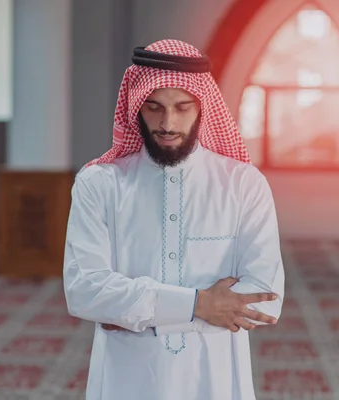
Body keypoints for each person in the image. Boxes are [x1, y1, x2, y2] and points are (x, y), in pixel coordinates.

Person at [63, 39, 285, 400]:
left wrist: (132, 313)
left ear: (203, 108)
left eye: (183, 108)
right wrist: (201, 305)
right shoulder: (99, 184)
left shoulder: (244, 184)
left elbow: (264, 301)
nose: (168, 123)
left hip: (214, 379)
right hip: (127, 380)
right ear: (136, 108)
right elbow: (85, 292)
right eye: (154, 108)